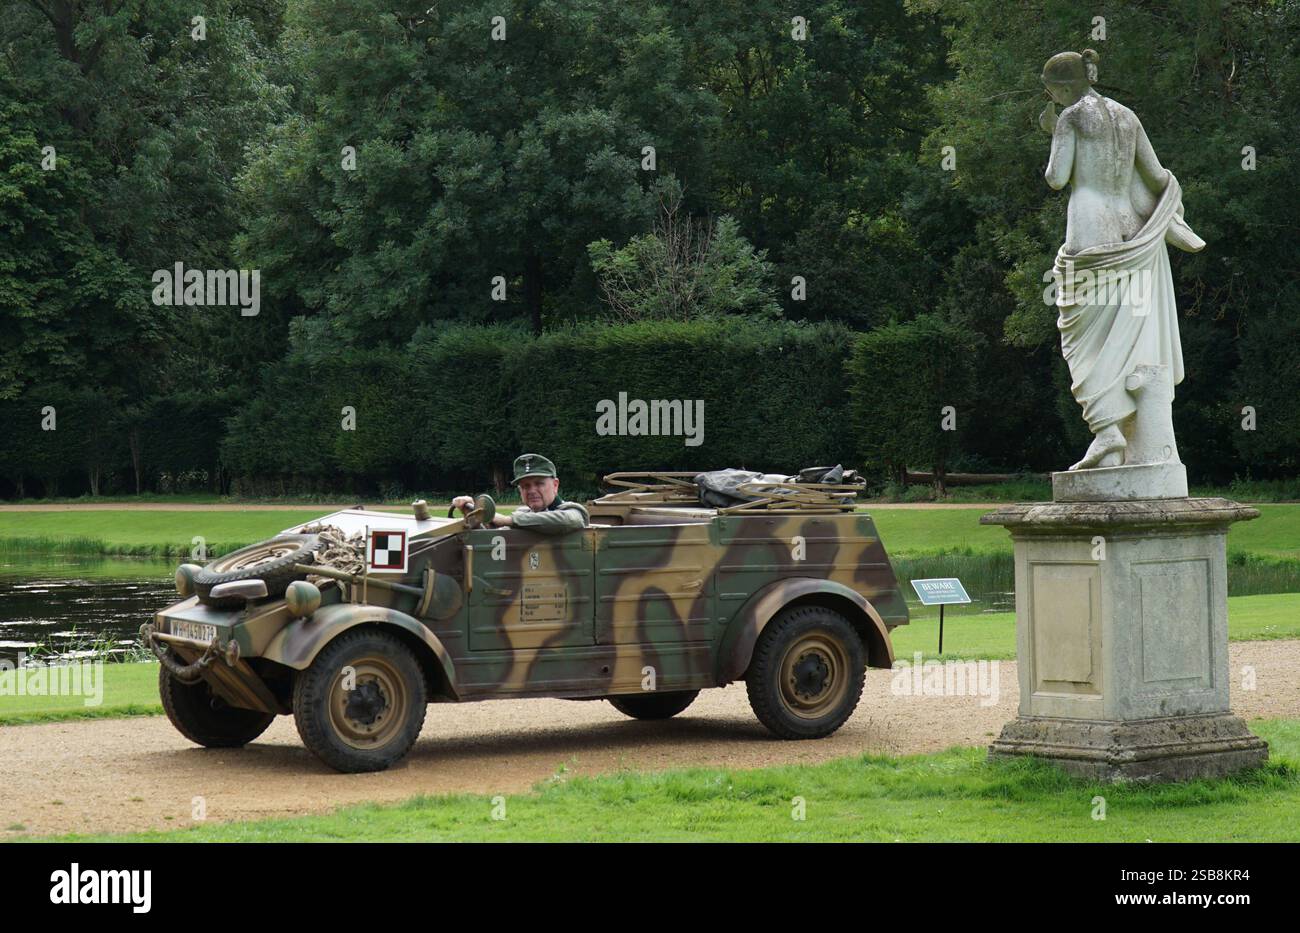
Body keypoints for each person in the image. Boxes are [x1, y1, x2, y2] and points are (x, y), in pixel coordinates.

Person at [1038, 49, 1203, 471]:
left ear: (1063, 86)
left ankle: (1108, 430)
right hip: (1130, 230)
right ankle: (1114, 434)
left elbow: (1056, 178)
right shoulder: (1127, 116)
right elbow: (1158, 176)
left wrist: (1051, 131)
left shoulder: (1071, 117)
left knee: (1079, 333)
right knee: (1125, 329)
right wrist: (1170, 217)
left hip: (1090, 227)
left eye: (1050, 89)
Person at [451, 454, 589, 534]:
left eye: (539, 483)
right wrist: (473, 517)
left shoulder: (572, 511)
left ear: (555, 485)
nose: (532, 490)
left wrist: (507, 520)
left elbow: (568, 520)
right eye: (525, 486)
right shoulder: (522, 514)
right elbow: (491, 542)